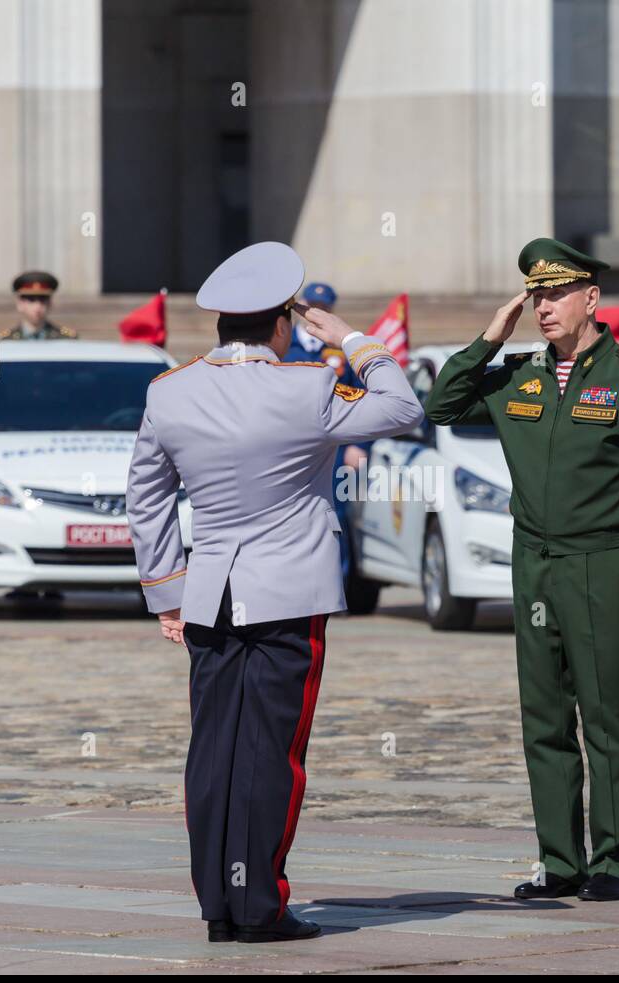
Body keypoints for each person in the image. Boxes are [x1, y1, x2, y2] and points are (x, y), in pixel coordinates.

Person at [126, 241, 422, 943]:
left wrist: (168, 590)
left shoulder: (170, 391)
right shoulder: (308, 387)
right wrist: (351, 338)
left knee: (214, 751)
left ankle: (219, 906)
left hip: (209, 597)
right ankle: (259, 901)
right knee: (273, 754)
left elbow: (146, 498)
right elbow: (403, 405)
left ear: (222, 322)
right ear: (282, 323)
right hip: (287, 595)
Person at [424, 238, 619, 902]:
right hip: (532, 561)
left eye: (556, 294)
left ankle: (615, 863)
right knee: (542, 717)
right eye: (535, 296)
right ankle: (560, 859)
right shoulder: (519, 377)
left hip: (600, 564)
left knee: (605, 719)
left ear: (591, 298)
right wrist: (490, 335)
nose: (543, 306)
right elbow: (441, 403)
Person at [283, 280, 365, 579]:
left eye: (324, 308)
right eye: (312, 307)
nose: (316, 312)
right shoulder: (282, 346)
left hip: (336, 444)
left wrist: (360, 445)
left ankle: (335, 584)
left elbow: (364, 400)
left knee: (335, 514)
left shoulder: (343, 350)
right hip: (288, 444)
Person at [0, 271, 77, 339]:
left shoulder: (66, 338)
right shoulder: (6, 340)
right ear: (20, 304)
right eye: (31, 300)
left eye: (43, 300)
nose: (38, 306)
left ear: (50, 303)